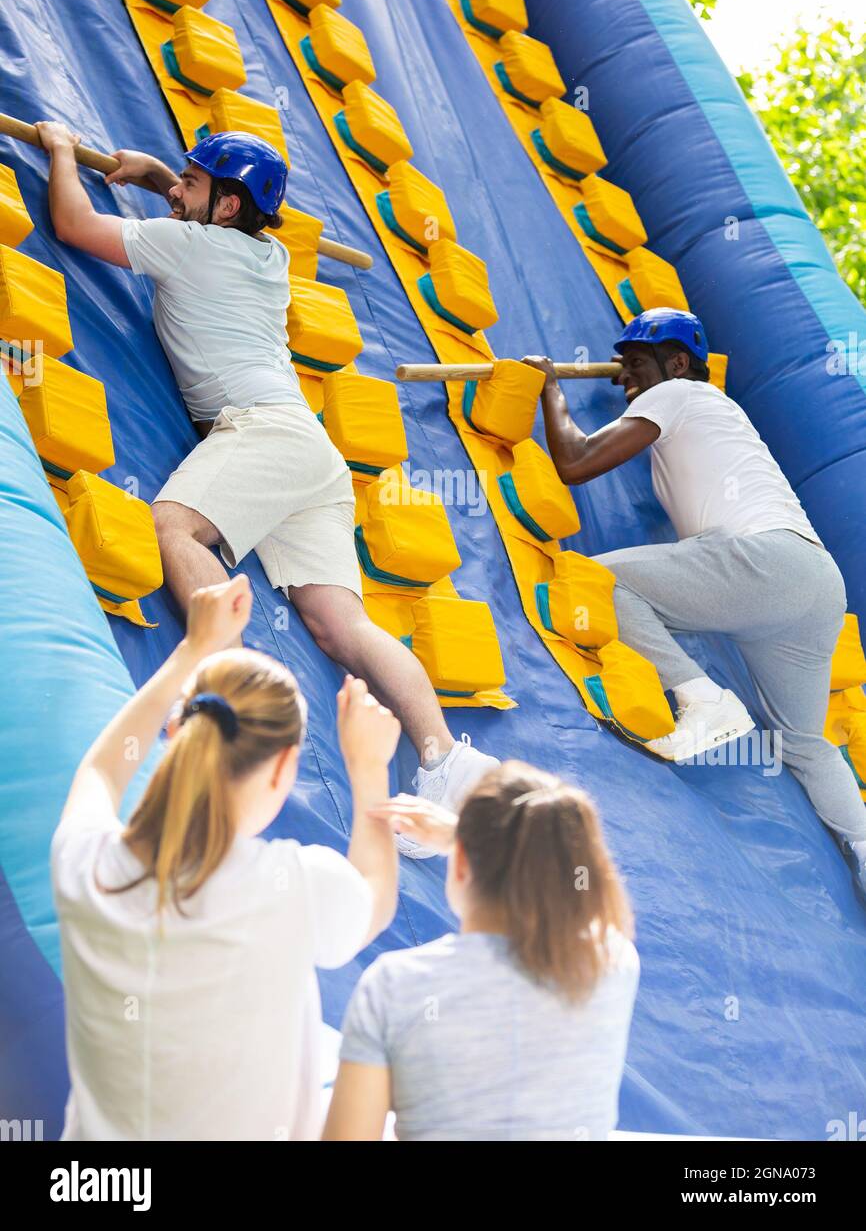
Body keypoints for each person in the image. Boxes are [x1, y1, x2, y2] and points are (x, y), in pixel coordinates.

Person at [36, 121, 498, 845]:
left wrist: (63, 148)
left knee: (173, 528)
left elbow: (72, 222)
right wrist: (161, 174)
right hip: (311, 453)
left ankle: (227, 688)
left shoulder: (186, 245)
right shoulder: (269, 252)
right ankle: (443, 758)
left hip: (262, 432)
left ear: (221, 207)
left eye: (191, 183)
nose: (176, 192)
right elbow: (201, 212)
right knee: (345, 626)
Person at [522, 308, 866, 892]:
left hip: (765, 564)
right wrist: (635, 385)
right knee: (804, 743)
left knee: (602, 582)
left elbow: (576, 462)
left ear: (678, 363)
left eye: (634, 365)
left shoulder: (679, 394)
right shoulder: (706, 413)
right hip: (812, 581)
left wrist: (549, 387)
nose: (622, 378)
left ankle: (704, 699)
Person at [50, 573, 400, 1140]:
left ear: (173, 732)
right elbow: (375, 897)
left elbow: (99, 772)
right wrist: (368, 771)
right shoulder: (292, 886)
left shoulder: (86, 863)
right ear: (285, 770)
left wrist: (192, 649)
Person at [322, 763, 639, 1141]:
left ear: (459, 866)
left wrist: (464, 838)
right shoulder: (613, 962)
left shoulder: (396, 984)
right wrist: (470, 841)